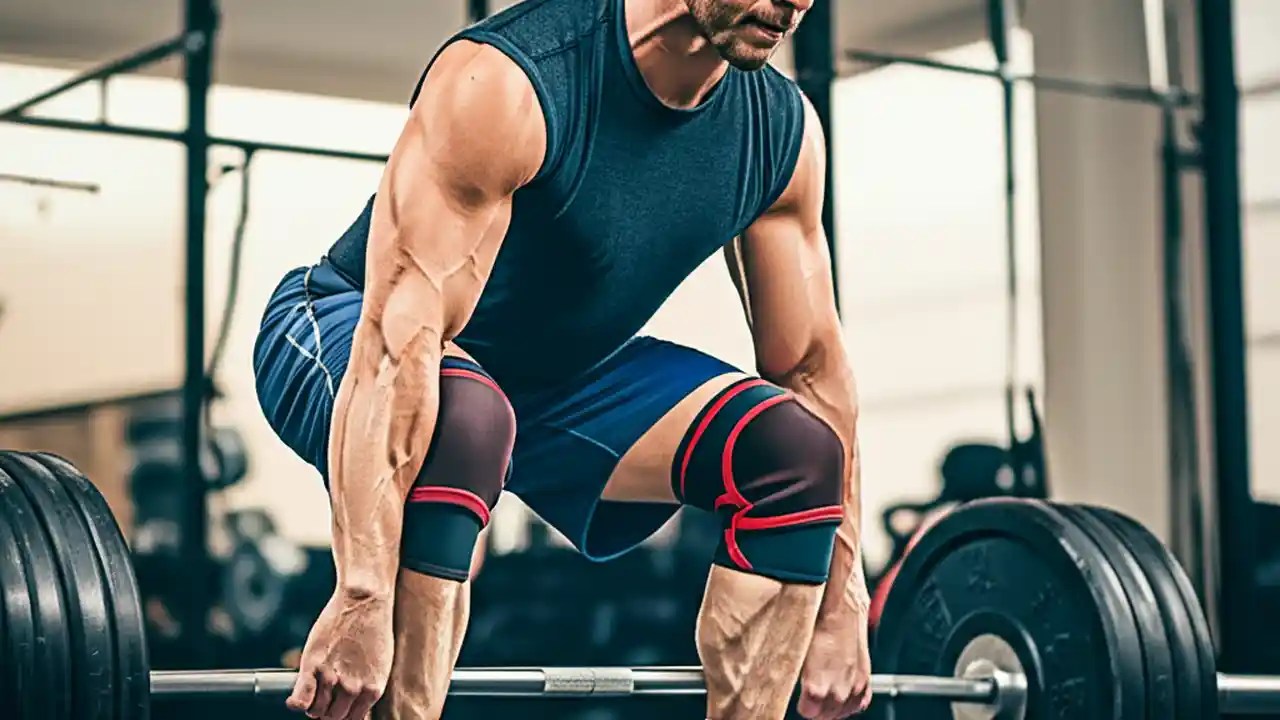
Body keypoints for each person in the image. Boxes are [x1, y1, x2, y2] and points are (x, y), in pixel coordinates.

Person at [252, 0, 871, 718]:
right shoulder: (508, 81)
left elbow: (811, 369)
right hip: (348, 327)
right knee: (467, 420)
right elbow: (398, 343)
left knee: (792, 453)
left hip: (553, 380)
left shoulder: (780, 132)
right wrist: (361, 592)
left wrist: (841, 601)